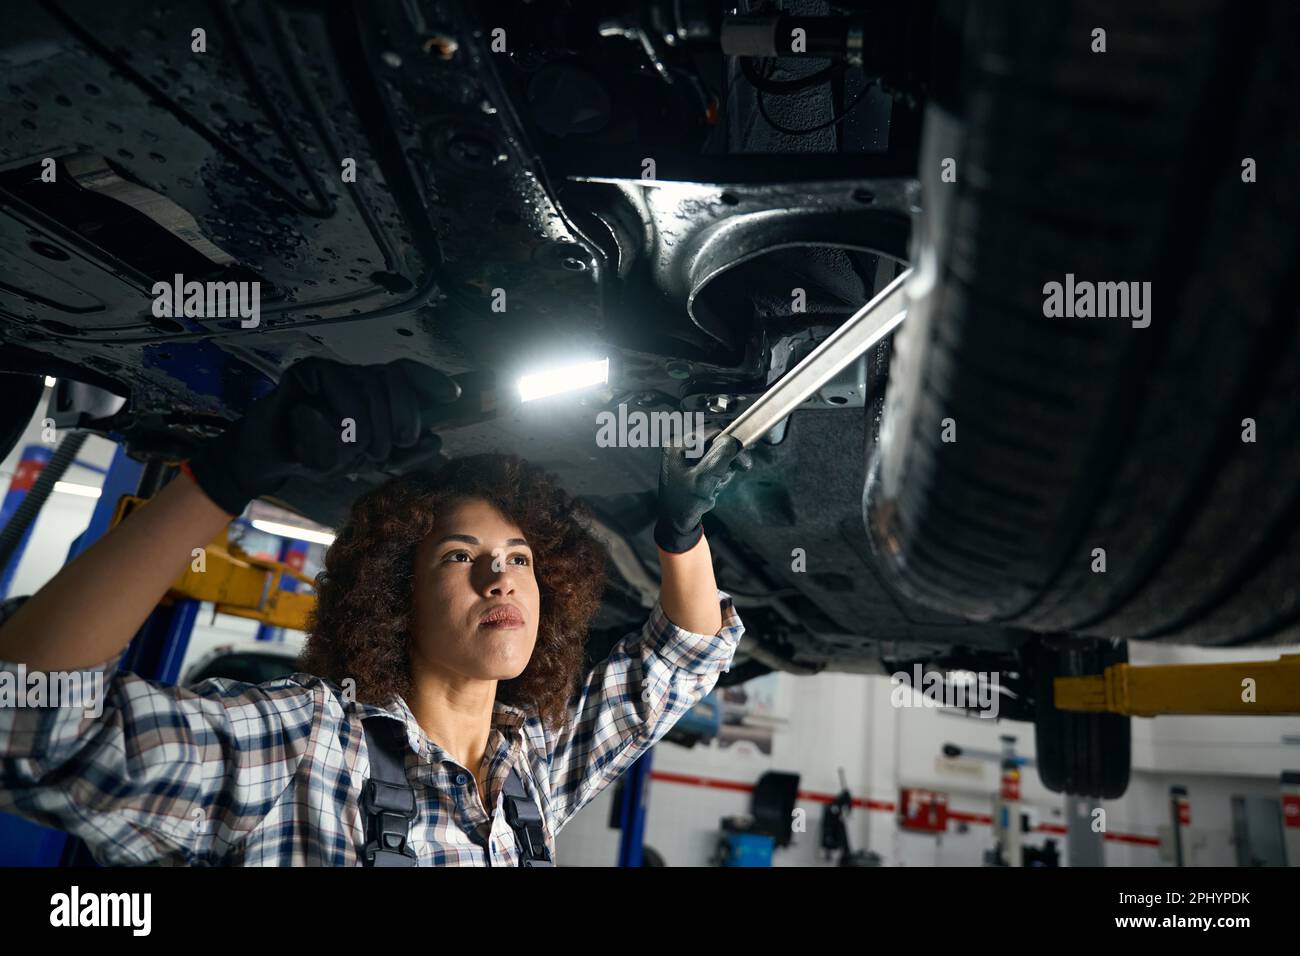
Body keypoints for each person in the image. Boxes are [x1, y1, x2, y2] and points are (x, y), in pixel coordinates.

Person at [0, 358, 752, 866]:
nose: (501, 577)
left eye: (520, 557)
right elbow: (30, 725)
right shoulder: (309, 748)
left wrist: (681, 531)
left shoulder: (532, 771)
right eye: (460, 557)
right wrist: (230, 474)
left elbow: (681, 661)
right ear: (396, 599)